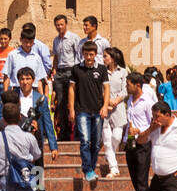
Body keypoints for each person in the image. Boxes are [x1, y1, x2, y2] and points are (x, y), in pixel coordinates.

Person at [68, 41, 110, 182]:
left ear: (95, 54)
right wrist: (72, 109)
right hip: (82, 110)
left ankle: (90, 168)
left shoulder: (102, 69)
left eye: (91, 54)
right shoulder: (76, 69)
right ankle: (88, 169)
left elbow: (106, 89)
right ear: (82, 54)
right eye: (86, 54)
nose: (89, 57)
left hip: (97, 110)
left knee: (96, 142)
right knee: (85, 141)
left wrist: (105, 106)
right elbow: (72, 89)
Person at [125, 72, 154, 191]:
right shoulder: (129, 100)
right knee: (135, 178)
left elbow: (154, 124)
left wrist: (140, 132)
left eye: (128, 84)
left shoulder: (147, 102)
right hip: (130, 143)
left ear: (137, 85)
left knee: (142, 179)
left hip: (143, 143)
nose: (126, 87)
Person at [51, 15, 80, 140]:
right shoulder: (55, 40)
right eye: (57, 25)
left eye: (61, 24)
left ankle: (78, 132)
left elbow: (79, 56)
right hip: (60, 74)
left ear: (66, 24)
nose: (59, 27)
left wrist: (77, 72)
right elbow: (56, 57)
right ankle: (64, 133)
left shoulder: (74, 38)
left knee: (75, 103)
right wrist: (54, 71)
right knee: (61, 103)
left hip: (71, 72)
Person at [102, 46, 128, 179]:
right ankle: (113, 168)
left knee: (117, 137)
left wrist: (116, 100)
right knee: (106, 140)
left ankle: (109, 154)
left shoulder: (123, 72)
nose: (103, 59)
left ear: (112, 58)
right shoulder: (102, 72)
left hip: (118, 109)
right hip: (105, 108)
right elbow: (98, 89)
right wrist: (106, 102)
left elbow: (125, 90)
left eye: (105, 56)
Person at [4, 23, 50, 93]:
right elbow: (6, 76)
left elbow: (39, 79)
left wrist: (41, 96)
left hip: (33, 91)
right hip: (17, 91)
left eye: (30, 42)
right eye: (25, 42)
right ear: (21, 40)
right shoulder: (12, 55)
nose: (28, 45)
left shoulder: (37, 58)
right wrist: (6, 95)